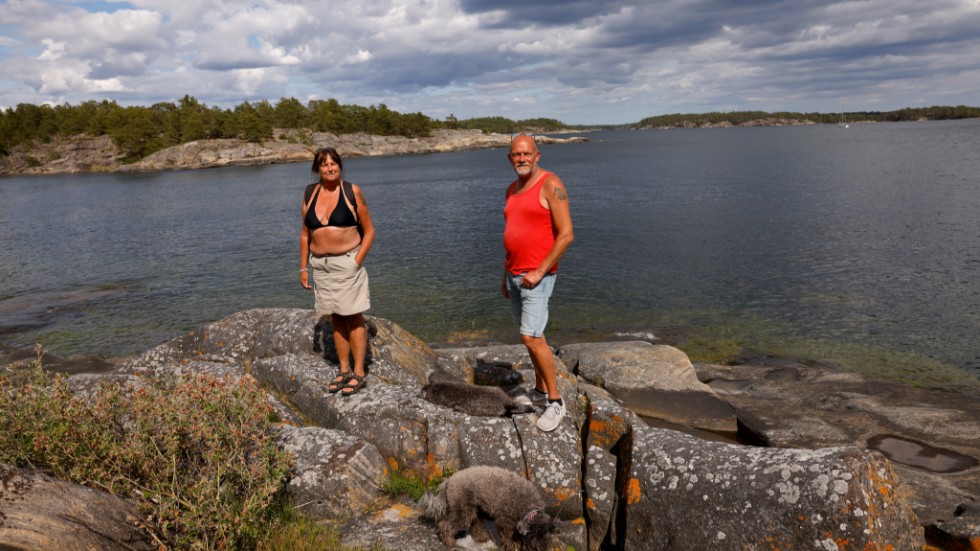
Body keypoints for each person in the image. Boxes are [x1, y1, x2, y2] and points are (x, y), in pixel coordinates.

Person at [501, 134, 574, 432]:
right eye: (516, 155)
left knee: (531, 337)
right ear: (510, 158)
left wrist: (540, 271)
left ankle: (556, 402)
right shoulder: (511, 189)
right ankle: (541, 391)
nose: (521, 159)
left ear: (537, 155)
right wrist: (504, 275)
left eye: (526, 154)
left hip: (536, 277)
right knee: (532, 335)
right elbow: (512, 235)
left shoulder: (551, 184)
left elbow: (566, 234)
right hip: (514, 275)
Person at [300, 147, 375, 396]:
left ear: (340, 166)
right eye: (324, 165)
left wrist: (356, 261)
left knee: (353, 316)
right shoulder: (310, 193)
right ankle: (343, 370)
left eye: (334, 164)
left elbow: (369, 231)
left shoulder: (352, 191)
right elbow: (304, 234)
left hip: (346, 263)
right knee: (336, 318)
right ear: (317, 169)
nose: (330, 168)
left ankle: (359, 372)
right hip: (320, 266)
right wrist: (303, 267)